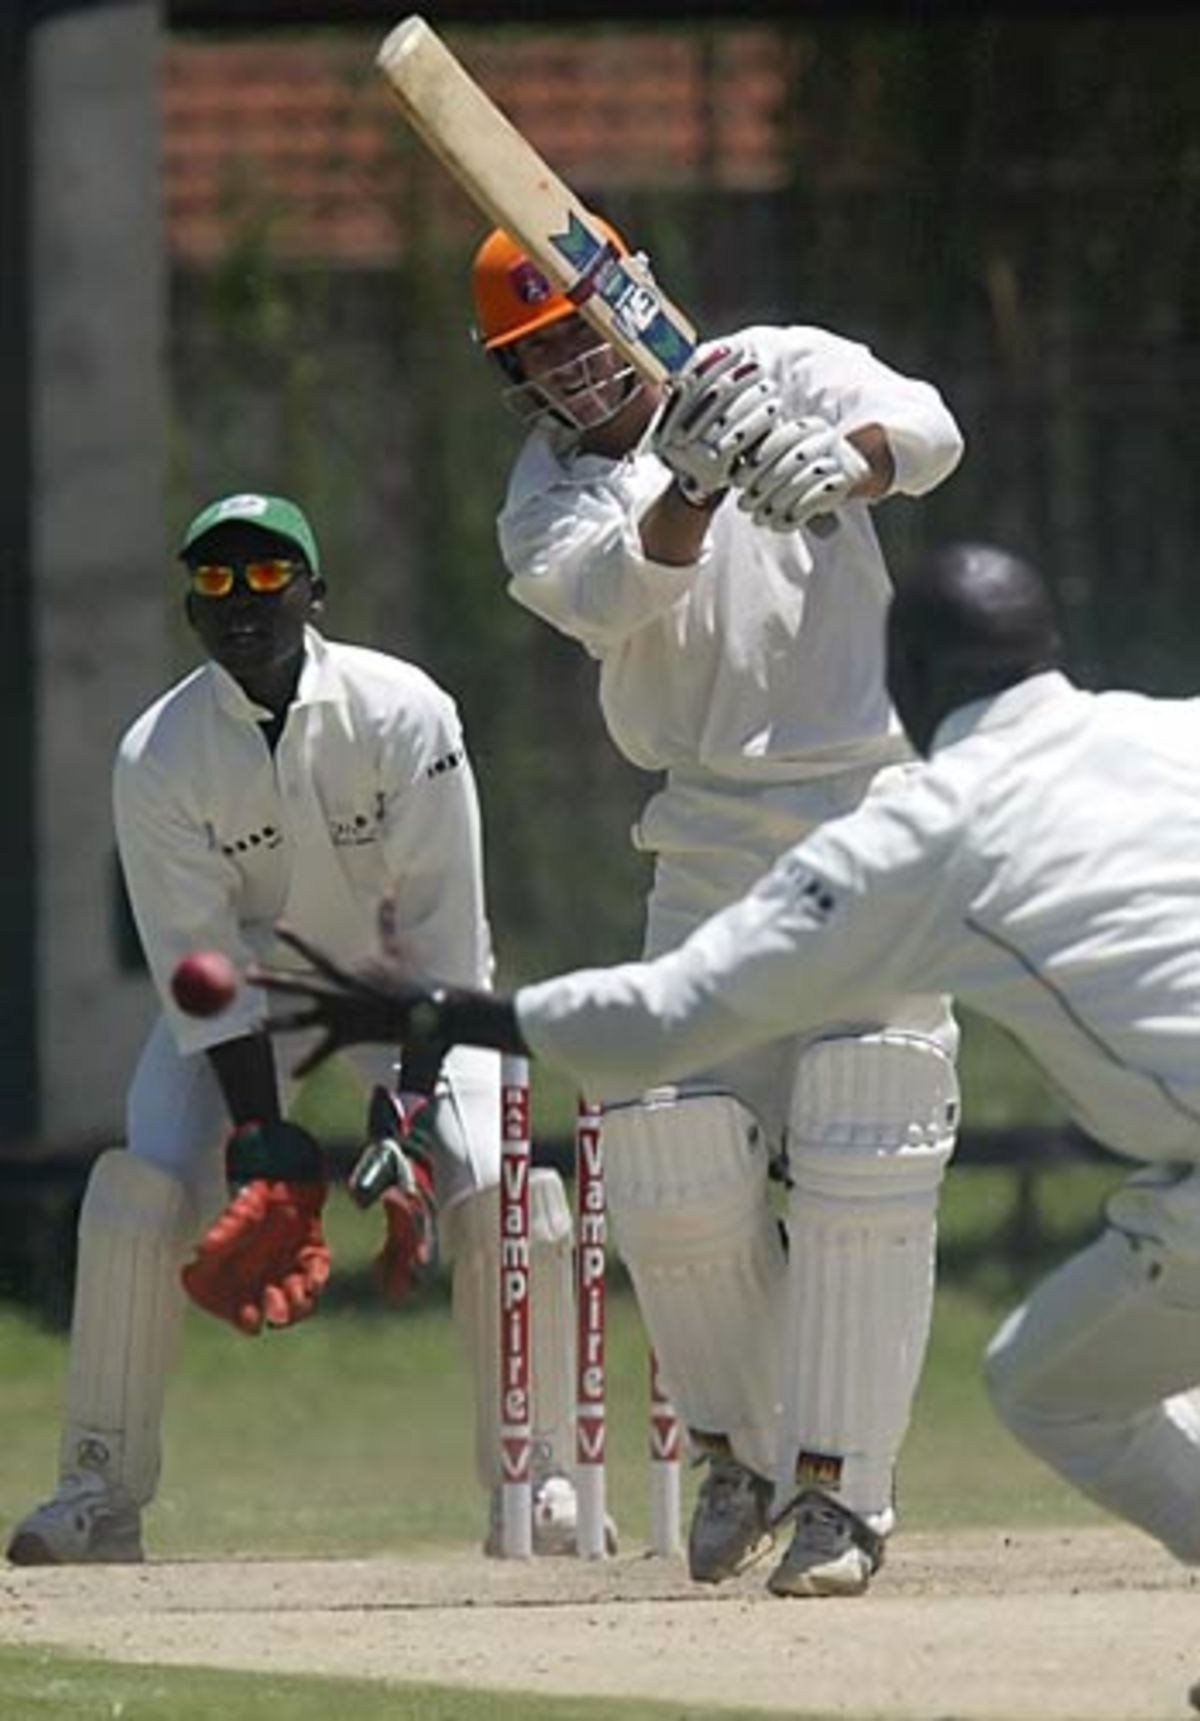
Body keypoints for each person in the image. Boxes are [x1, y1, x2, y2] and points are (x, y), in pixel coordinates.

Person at [252, 539, 1200, 1583]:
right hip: (1176, 1188)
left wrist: (448, 1013)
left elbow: (667, 1017)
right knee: (1103, 1366)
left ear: (906, 685)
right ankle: (754, 1460)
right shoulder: (1172, 728)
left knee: (1051, 1384)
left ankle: (837, 1484)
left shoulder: (922, 829)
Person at [461, 221, 966, 1594]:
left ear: (630, 301)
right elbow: (617, 590)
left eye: (575, 328)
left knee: (870, 1115)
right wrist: (687, 480)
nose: (568, 367)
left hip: (868, 805)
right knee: (668, 1146)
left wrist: (839, 457)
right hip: (701, 836)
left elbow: (925, 429)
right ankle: (743, 1448)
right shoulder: (546, 496)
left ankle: (844, 1498)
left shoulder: (775, 362)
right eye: (537, 356)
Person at [6, 490, 601, 1566]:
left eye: (270, 575)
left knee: (509, 1195)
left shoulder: (404, 709)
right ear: (193, 607)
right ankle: (97, 1487)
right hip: (252, 1008)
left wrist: (409, 1115)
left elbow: (445, 940)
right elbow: (202, 969)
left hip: (413, 992)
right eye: (219, 581)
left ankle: (539, 1470)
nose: (244, 601)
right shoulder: (158, 753)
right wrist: (268, 1152)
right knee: (138, 1192)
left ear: (314, 591)